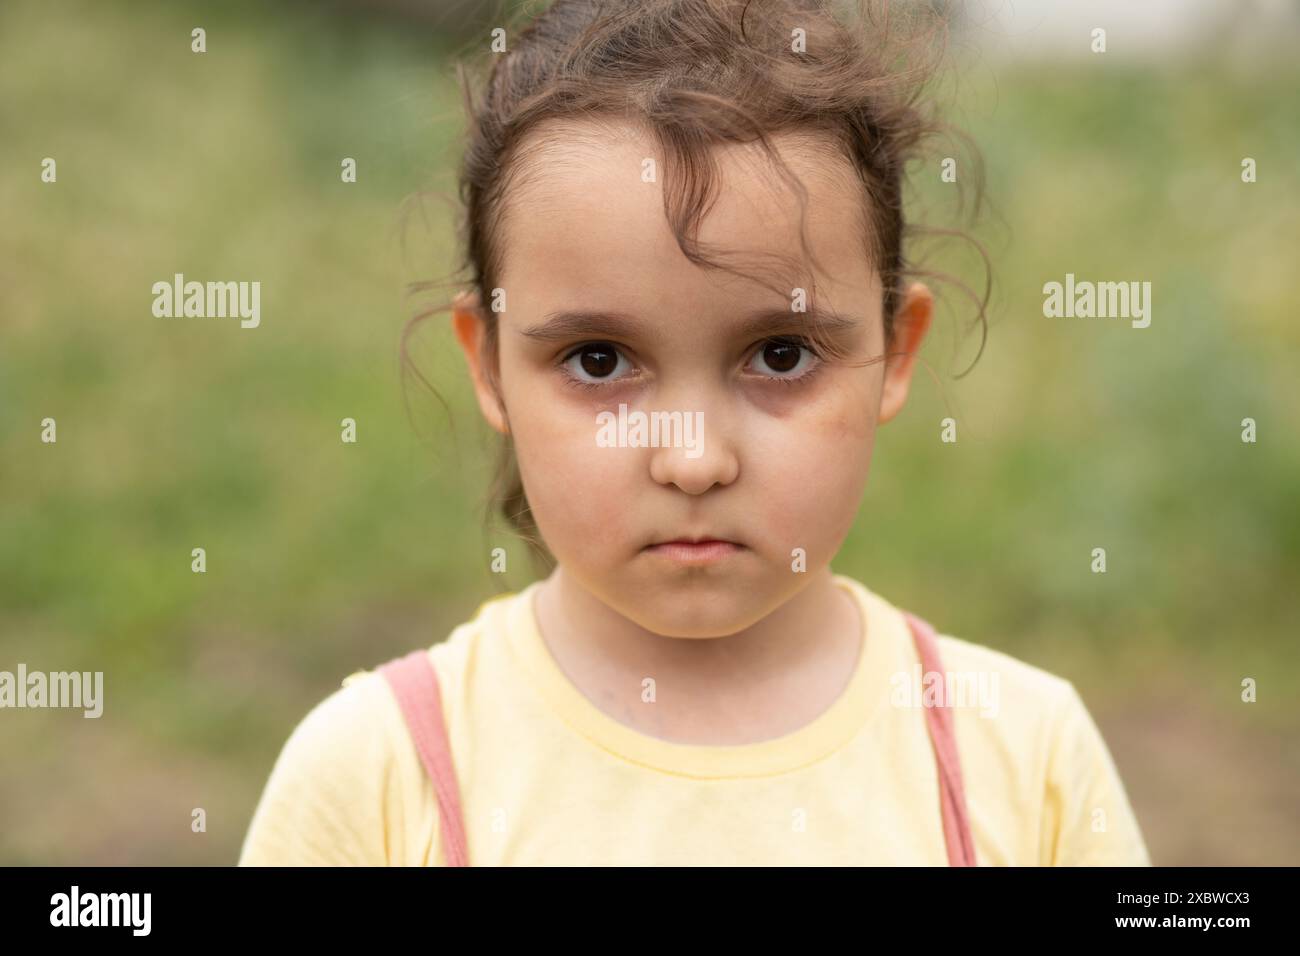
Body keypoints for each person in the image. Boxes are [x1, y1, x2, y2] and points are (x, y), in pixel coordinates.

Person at [239, 0, 1151, 866]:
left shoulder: (1025, 758)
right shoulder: (377, 775)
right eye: (599, 362)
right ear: (488, 368)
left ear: (894, 350)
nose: (694, 460)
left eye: (782, 355)